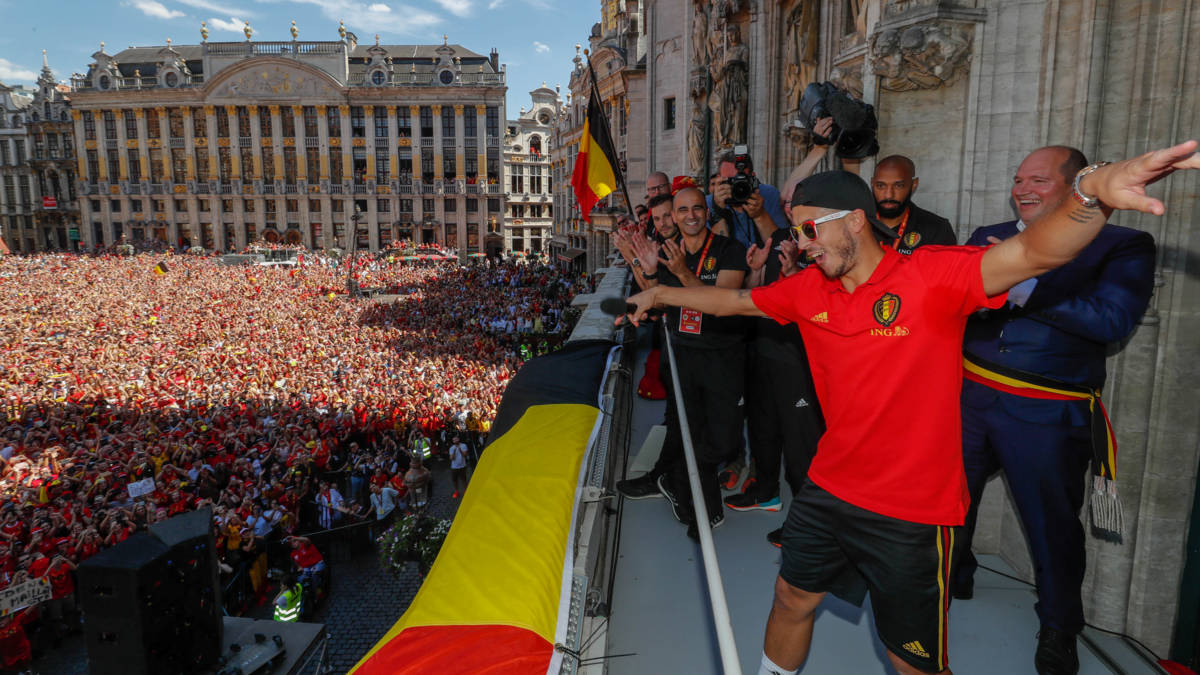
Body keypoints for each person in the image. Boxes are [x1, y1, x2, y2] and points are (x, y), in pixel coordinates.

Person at [617, 141, 1199, 675]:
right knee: (792, 598)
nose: (802, 245)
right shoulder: (808, 289)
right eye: (798, 234)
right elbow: (738, 299)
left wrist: (1092, 192)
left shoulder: (931, 275)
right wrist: (661, 291)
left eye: (811, 230)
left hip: (913, 512)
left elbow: (1033, 252)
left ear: (853, 220)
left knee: (911, 663)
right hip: (829, 488)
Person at [953, 146, 1156, 675]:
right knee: (950, 500)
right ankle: (956, 572)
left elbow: (1111, 321)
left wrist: (1023, 286)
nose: (1023, 188)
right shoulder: (987, 234)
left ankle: (1060, 627)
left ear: (1074, 187)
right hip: (970, 397)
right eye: (1018, 178)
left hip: (1045, 412)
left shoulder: (1122, 244)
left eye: (1038, 180)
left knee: (1051, 528)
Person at [627, 187, 748, 540]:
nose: (691, 215)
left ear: (705, 213)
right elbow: (662, 304)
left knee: (724, 443)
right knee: (691, 434)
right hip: (682, 354)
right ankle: (706, 510)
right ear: (675, 216)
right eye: (683, 210)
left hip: (722, 356)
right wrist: (650, 273)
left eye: (697, 208)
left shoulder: (730, 250)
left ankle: (675, 479)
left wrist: (682, 273)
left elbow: (722, 302)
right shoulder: (667, 252)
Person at [871, 155, 957, 254]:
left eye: (898, 186)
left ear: (914, 185)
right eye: (881, 186)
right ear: (872, 183)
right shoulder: (856, 223)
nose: (888, 195)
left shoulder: (937, 229)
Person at [708, 150, 789, 250]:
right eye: (730, 181)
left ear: (753, 178)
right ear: (718, 179)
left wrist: (760, 215)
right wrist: (718, 210)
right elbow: (716, 255)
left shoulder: (768, 194)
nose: (736, 187)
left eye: (740, 180)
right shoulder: (709, 203)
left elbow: (780, 247)